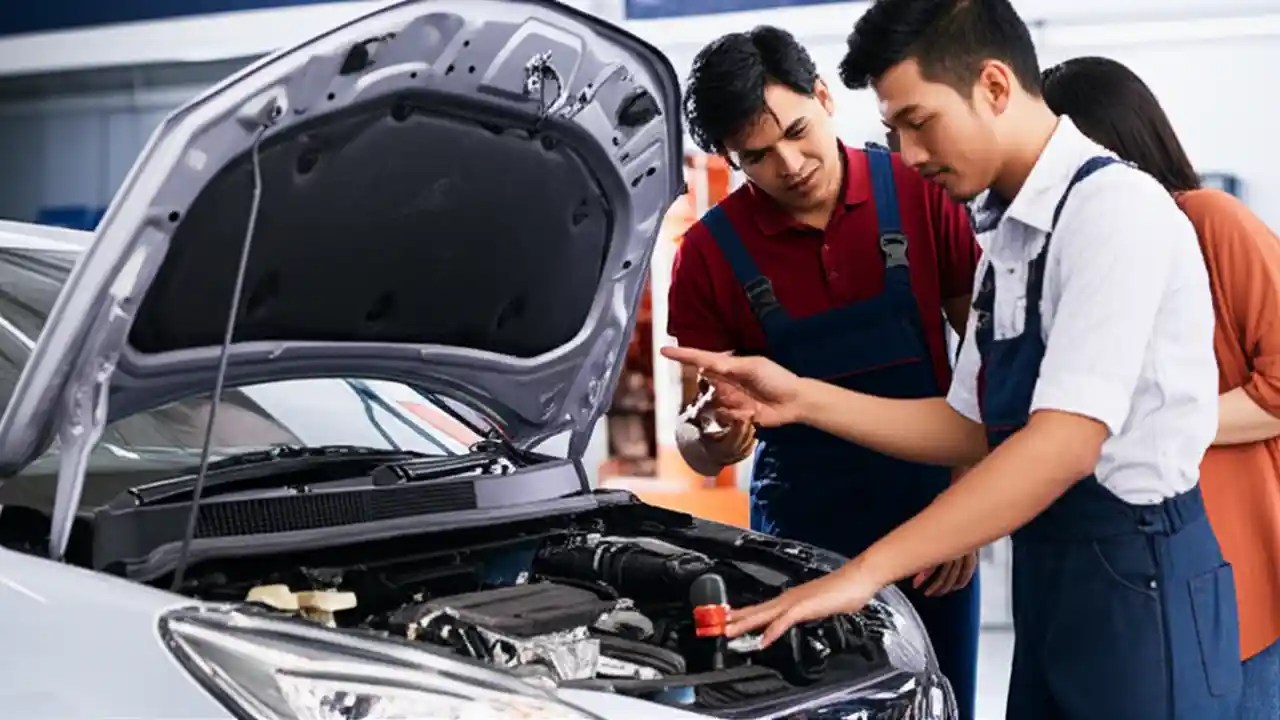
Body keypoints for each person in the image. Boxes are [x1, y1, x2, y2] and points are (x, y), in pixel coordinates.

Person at [662, 2, 1243, 719]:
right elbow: (969, 426)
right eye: (894, 131)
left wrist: (867, 571)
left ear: (994, 86)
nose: (907, 155)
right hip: (1049, 565)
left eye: (918, 121)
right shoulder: (1016, 236)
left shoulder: (1112, 213)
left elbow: (1061, 443)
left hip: (1135, 572)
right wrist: (800, 399)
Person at [670, 25, 982, 718]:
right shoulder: (706, 256)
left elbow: (986, 358)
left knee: (939, 698)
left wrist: (968, 502)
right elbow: (696, 438)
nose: (789, 163)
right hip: (798, 536)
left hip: (931, 516)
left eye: (797, 130)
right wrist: (714, 435)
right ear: (729, 157)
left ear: (822, 95)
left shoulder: (921, 187)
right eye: (757, 155)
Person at [1042, 55, 1280, 720]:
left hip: (1238, 570)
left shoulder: (1210, 220)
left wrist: (1155, 421)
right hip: (1134, 574)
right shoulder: (1073, 254)